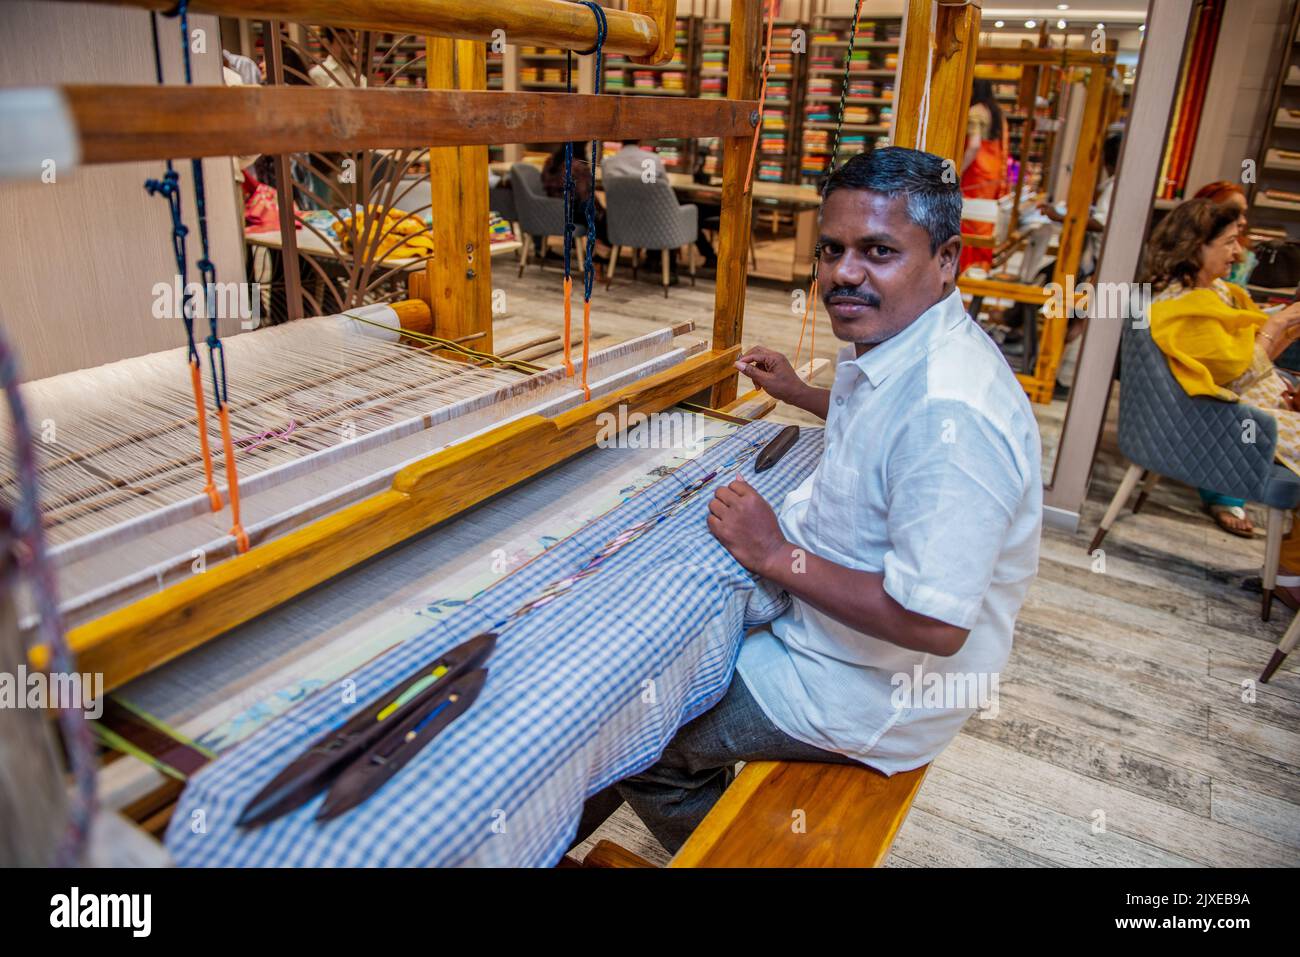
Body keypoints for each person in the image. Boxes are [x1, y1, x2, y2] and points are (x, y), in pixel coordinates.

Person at [575, 147, 1042, 854]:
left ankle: (736, 852)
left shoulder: (954, 415)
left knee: (640, 734)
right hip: (847, 649)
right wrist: (797, 393)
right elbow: (880, 428)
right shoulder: (904, 341)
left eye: (878, 250)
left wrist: (772, 552)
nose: (844, 273)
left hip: (870, 688)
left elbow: (935, 624)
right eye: (832, 249)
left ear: (947, 258)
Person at [1145, 199, 1300, 590]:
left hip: (1255, 406)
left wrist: (1282, 332)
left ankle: (1290, 568)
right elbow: (1236, 373)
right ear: (1196, 246)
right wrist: (1278, 322)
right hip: (1230, 420)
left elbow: (1253, 367)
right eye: (1230, 242)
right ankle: (1289, 573)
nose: (1239, 251)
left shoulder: (1218, 294)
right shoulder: (1180, 306)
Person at [1185, 181, 1262, 535]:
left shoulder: (1224, 287)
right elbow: (1230, 366)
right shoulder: (1187, 299)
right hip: (1224, 388)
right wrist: (1276, 330)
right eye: (1229, 237)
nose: (1242, 223)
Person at [958, 79, 1009, 275]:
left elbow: (974, 145)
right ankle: (981, 266)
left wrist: (957, 170)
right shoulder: (996, 112)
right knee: (985, 222)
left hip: (976, 172)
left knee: (970, 218)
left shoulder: (975, 112)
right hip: (992, 171)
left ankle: (969, 269)